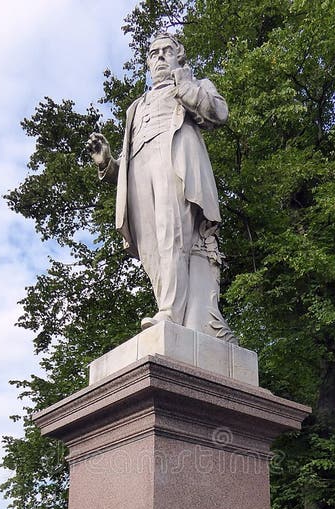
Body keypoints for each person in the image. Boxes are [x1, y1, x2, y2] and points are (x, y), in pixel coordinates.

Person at [87, 33, 236, 342]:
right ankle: (168, 308)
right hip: (140, 168)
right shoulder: (135, 108)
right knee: (151, 246)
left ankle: (170, 312)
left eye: (167, 51)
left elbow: (217, 113)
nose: (159, 57)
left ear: (179, 57)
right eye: (154, 53)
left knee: (172, 235)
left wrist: (184, 81)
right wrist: (107, 164)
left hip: (174, 161)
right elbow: (126, 163)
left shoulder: (194, 86)